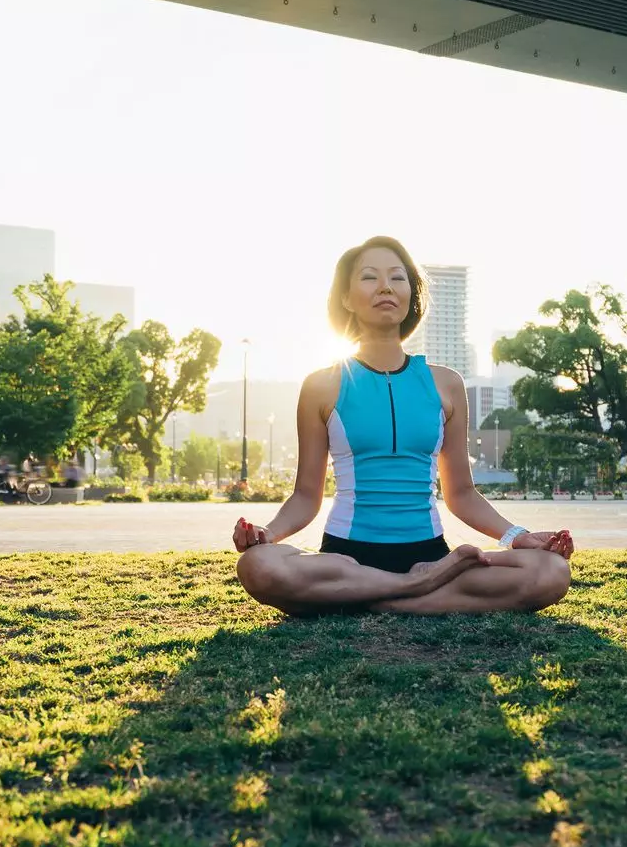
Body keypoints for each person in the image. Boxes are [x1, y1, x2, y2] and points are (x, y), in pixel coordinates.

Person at [231, 236, 573, 615]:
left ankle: (369, 597)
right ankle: (415, 589)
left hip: (429, 554)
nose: (385, 287)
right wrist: (268, 535)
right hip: (346, 557)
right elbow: (305, 497)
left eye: (397, 278)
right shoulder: (322, 385)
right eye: (369, 277)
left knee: (550, 572)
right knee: (256, 566)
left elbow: (460, 493)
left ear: (411, 295)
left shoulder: (446, 384)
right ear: (345, 298)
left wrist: (517, 537)